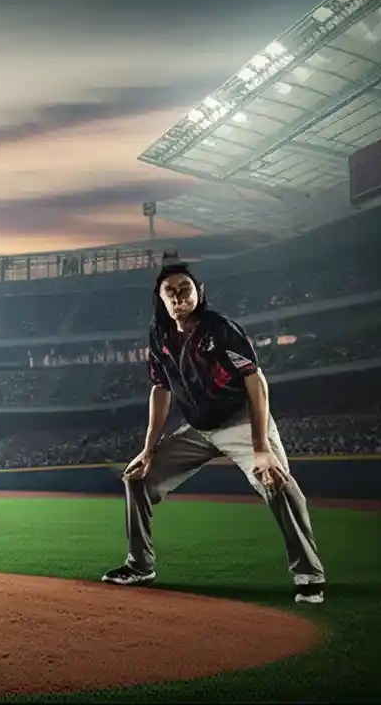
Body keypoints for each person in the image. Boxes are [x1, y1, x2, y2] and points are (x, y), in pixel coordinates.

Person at [102, 258, 326, 604]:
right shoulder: (159, 334)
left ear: (199, 292)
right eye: (170, 291)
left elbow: (255, 380)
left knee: (277, 481)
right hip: (198, 428)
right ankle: (139, 565)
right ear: (160, 299)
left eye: (185, 289)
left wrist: (262, 447)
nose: (179, 296)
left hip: (241, 422)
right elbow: (160, 388)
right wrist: (148, 448)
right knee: (136, 478)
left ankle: (309, 575)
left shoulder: (220, 328)